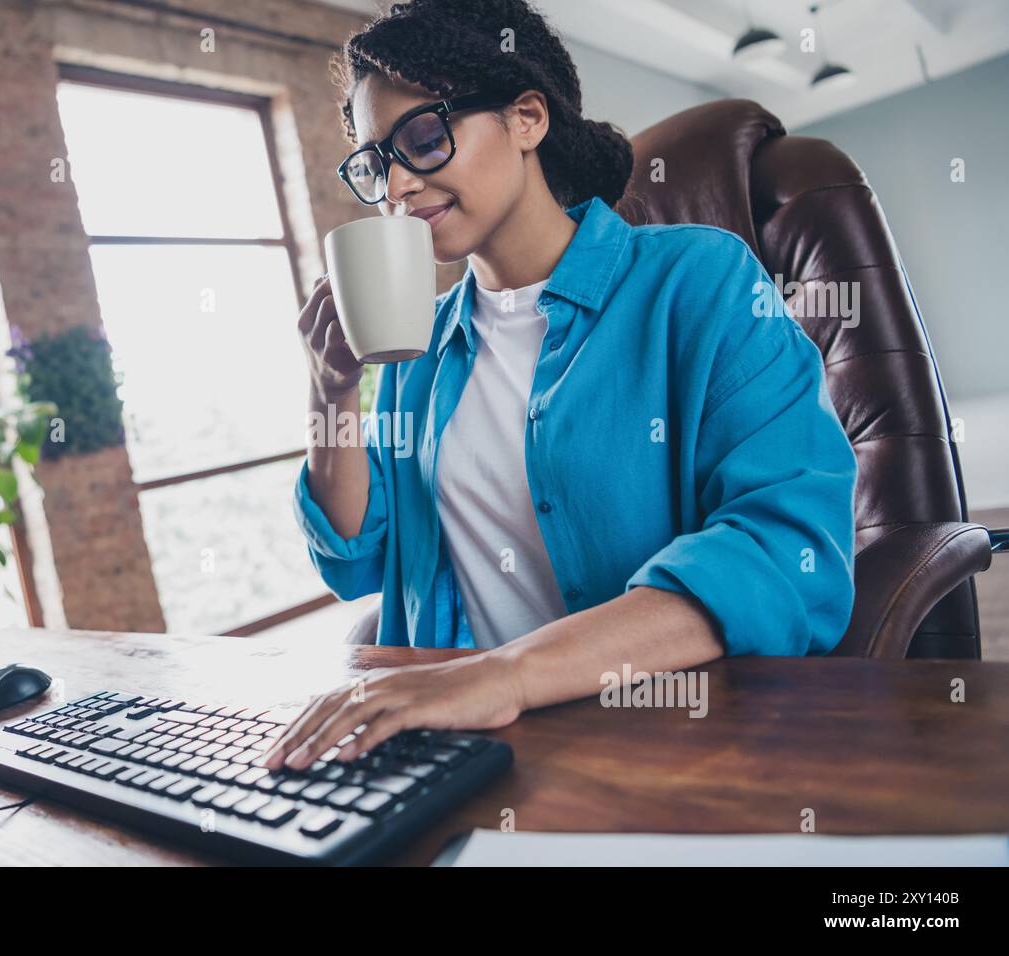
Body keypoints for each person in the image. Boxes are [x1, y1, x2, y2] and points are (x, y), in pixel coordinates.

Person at [265, 0, 856, 772]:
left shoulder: (696, 280)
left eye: (422, 139)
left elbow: (786, 547)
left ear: (527, 118)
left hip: (668, 746)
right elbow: (356, 558)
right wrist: (332, 391)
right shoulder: (421, 348)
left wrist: (506, 675)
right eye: (377, 164)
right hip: (462, 755)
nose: (397, 188)